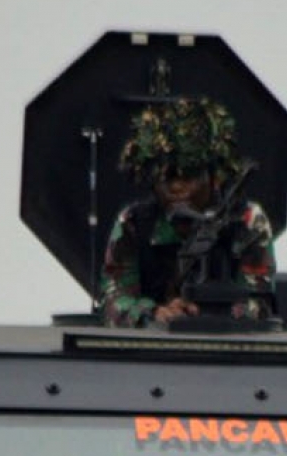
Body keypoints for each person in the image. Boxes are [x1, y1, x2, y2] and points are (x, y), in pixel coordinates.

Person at [95, 95, 277, 327]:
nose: (176, 188)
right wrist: (154, 313)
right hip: (150, 343)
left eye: (189, 176)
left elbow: (261, 302)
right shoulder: (134, 223)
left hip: (226, 339)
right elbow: (112, 299)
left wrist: (213, 311)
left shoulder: (245, 221)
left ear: (214, 177)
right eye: (167, 178)